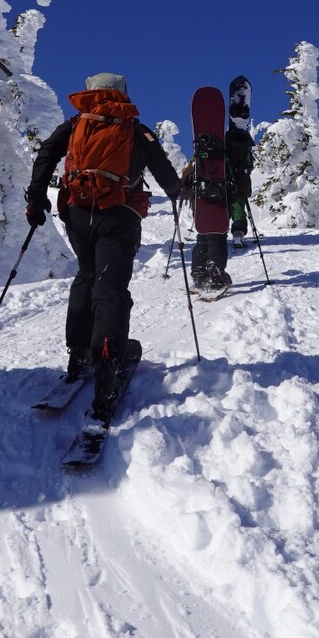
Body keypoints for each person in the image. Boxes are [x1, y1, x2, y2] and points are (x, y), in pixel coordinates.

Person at [26, 73, 181, 418]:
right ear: (122, 93)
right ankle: (107, 371)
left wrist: (36, 199)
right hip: (120, 215)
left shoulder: (76, 123)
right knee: (109, 288)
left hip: (78, 213)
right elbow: (163, 169)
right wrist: (175, 193)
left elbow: (46, 153)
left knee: (86, 275)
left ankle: (78, 354)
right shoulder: (135, 129)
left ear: (91, 91)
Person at [185, 121, 254, 291]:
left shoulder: (201, 152)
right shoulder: (230, 150)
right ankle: (215, 269)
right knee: (218, 231)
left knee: (203, 232)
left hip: (200, 195)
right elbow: (243, 171)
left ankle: (199, 271)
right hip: (222, 194)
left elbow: (186, 174)